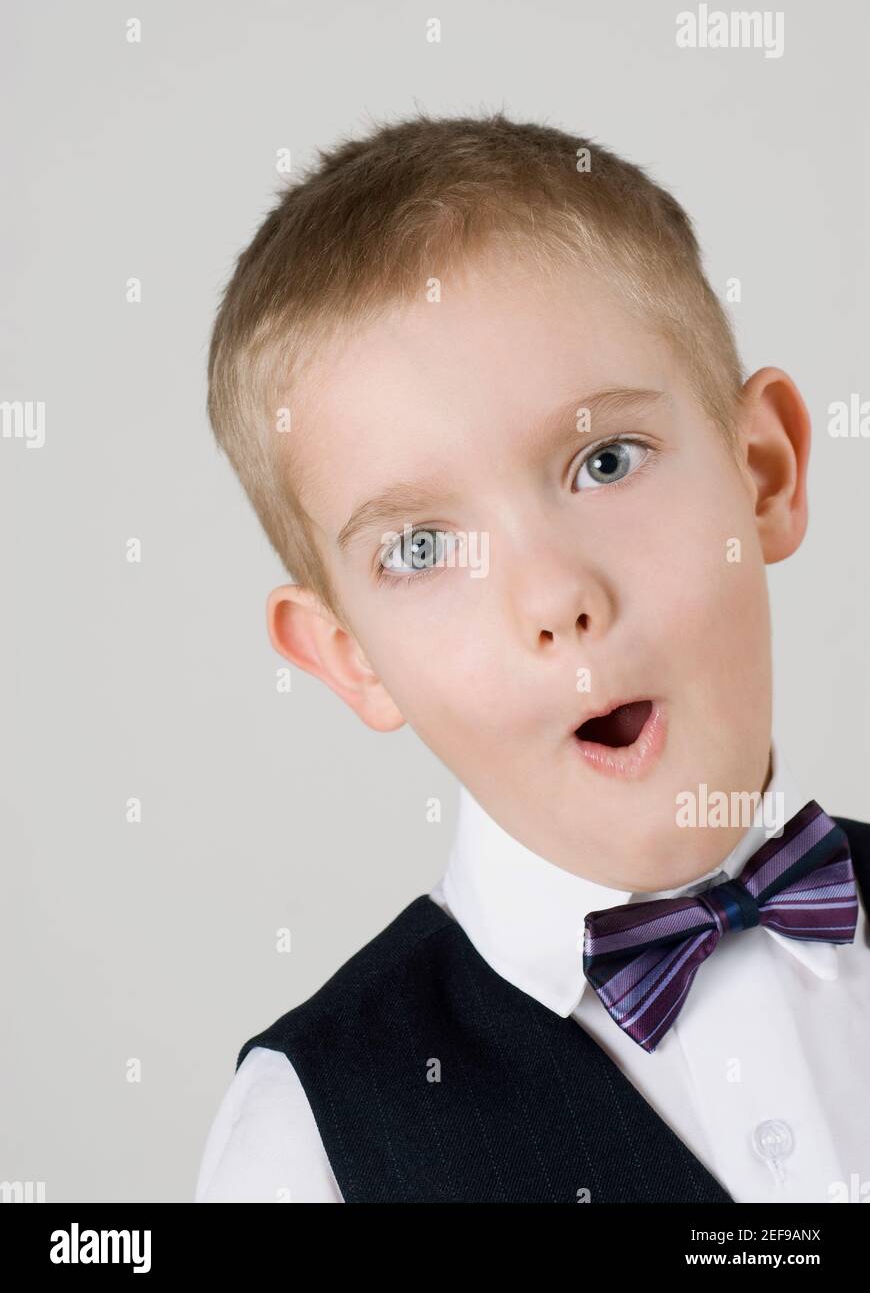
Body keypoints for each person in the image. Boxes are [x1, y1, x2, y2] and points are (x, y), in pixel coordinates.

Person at [195, 111, 869, 1203]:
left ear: (765, 473)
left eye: (605, 460)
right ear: (348, 656)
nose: (555, 597)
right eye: (422, 548)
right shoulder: (311, 1135)